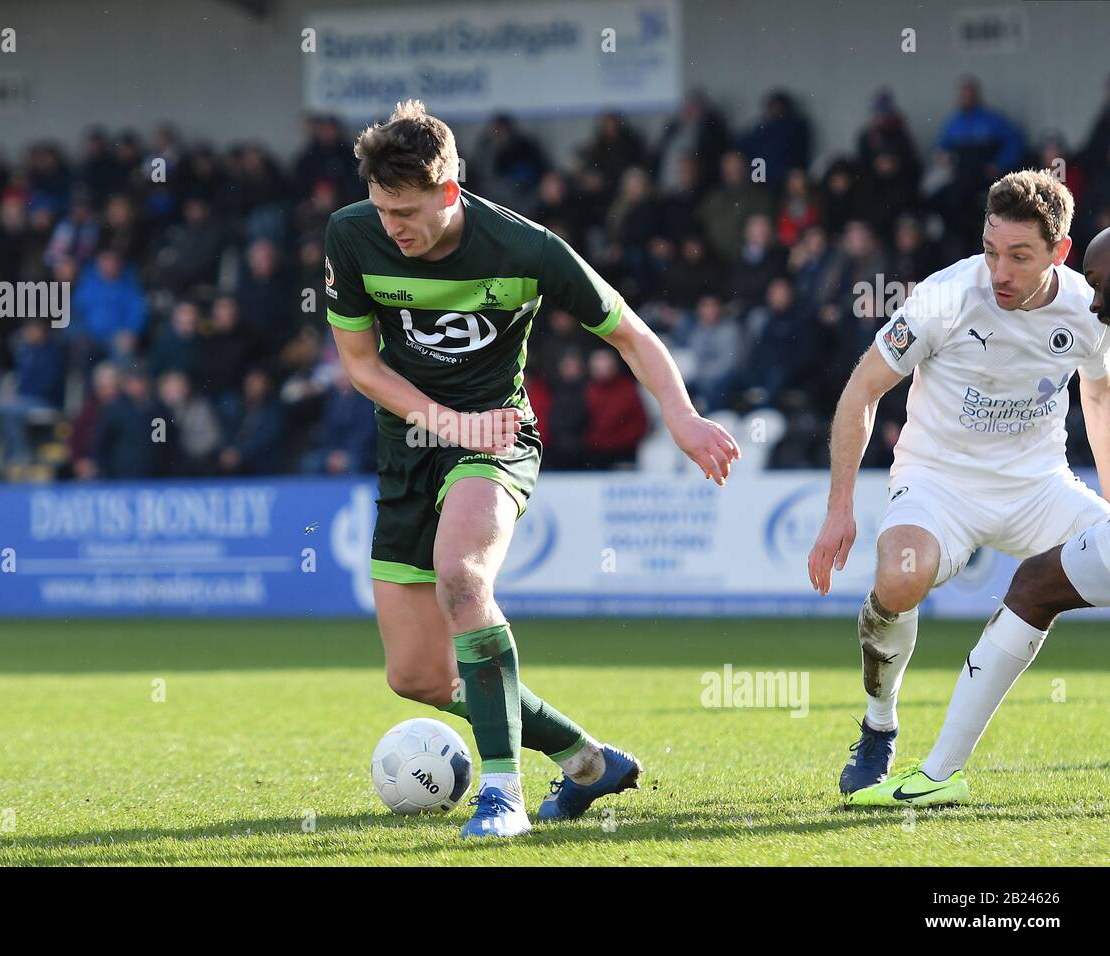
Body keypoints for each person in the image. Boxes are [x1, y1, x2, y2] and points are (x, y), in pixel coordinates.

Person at [325, 100, 739, 838]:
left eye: (408, 210)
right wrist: (441, 422)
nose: (394, 227)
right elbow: (360, 366)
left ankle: (501, 794)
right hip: (410, 450)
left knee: (463, 578)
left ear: (450, 192)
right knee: (415, 676)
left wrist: (679, 414)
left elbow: (631, 334)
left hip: (497, 441)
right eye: (384, 208)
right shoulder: (352, 236)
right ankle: (586, 762)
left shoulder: (526, 247)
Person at [808, 170, 1110, 796]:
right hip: (938, 483)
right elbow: (861, 391)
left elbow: (1100, 395)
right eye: (992, 249)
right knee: (899, 577)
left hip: (1039, 488)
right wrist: (840, 507)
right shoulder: (944, 297)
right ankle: (879, 724)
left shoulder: (1088, 305)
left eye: (1019, 256)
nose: (999, 270)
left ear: (1059, 251)